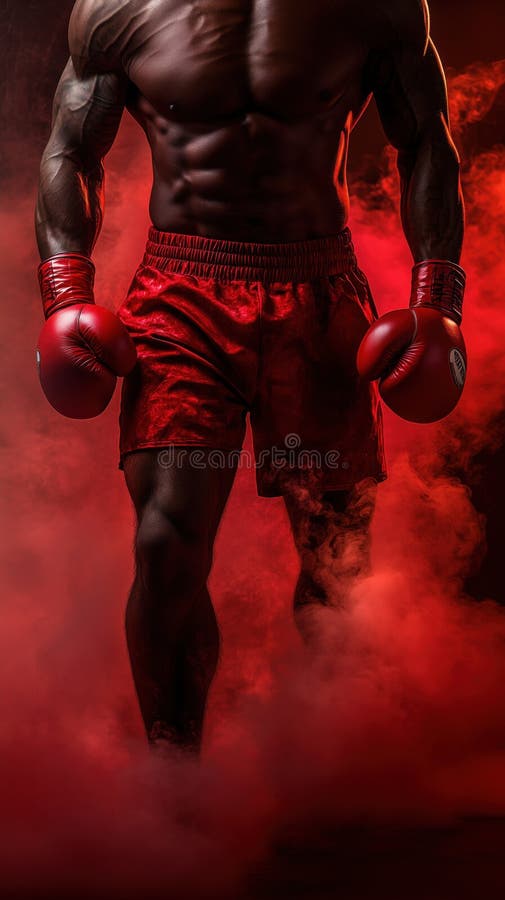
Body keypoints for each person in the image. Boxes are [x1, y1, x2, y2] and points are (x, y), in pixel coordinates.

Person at [35, 0, 466, 754]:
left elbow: (427, 141)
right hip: (181, 299)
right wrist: (66, 295)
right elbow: (69, 151)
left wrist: (436, 302)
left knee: (335, 552)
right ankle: (172, 775)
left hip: (316, 296)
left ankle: (326, 764)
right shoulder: (118, 7)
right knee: (165, 542)